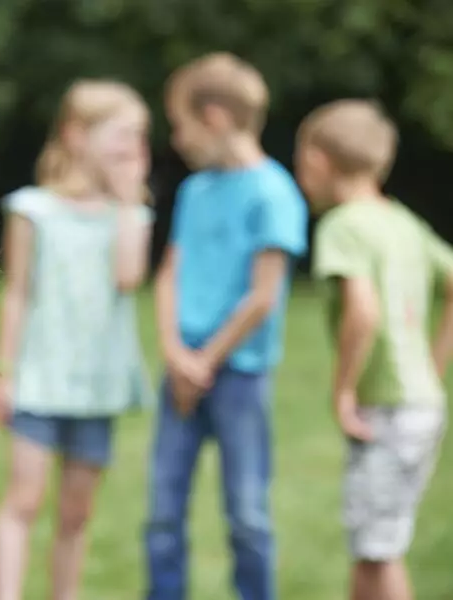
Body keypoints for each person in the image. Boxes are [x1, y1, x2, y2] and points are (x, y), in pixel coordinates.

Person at [146, 52, 309, 600]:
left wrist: (204, 361)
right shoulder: (196, 191)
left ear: (214, 117)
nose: (179, 138)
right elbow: (169, 272)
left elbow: (262, 297)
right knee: (163, 512)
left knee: (248, 516)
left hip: (238, 375)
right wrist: (175, 353)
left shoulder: (274, 193)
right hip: (182, 370)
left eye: (181, 124)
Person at [0, 79, 155, 600]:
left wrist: (129, 203)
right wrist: (7, 372)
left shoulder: (134, 217)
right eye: (122, 134)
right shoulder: (33, 209)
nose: (134, 147)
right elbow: (17, 294)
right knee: (24, 500)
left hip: (97, 387)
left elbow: (129, 277)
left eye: (140, 137)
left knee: (76, 513)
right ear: (76, 135)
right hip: (41, 379)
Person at [296, 99, 453, 600]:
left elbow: (362, 313)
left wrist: (343, 391)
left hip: (384, 409)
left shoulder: (342, 226)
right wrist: (434, 366)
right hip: (423, 405)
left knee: (376, 552)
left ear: (318, 160)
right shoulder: (402, 222)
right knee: (378, 544)